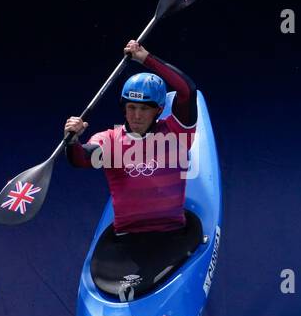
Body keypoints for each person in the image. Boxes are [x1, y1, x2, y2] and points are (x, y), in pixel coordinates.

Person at [64, 40, 201, 300]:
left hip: (172, 236)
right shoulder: (110, 140)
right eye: (131, 108)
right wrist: (72, 141)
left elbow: (187, 91)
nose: (136, 115)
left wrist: (144, 57)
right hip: (127, 241)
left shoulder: (176, 132)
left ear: (159, 110)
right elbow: (82, 159)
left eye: (144, 109)